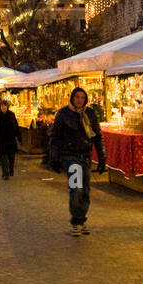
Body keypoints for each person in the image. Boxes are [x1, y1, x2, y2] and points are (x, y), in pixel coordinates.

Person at [48, 87, 107, 236]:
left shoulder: (90, 114)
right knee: (77, 188)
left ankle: (81, 219)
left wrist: (102, 157)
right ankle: (76, 221)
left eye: (82, 97)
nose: (79, 100)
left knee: (86, 190)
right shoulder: (63, 114)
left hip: (85, 156)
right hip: (70, 156)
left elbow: (97, 136)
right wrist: (54, 157)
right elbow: (55, 137)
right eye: (77, 97)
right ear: (72, 98)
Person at [0, 99, 20, 179]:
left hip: (11, 138)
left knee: (11, 157)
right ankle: (5, 174)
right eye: (2, 106)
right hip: (2, 139)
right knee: (3, 157)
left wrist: (19, 136)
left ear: (7, 106)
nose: (3, 107)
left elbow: (16, 125)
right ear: (0, 107)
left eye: (5, 106)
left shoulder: (11, 114)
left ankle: (11, 170)